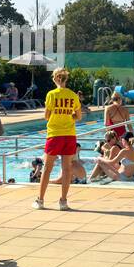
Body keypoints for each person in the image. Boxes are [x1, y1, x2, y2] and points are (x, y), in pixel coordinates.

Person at [35, 68, 82, 210]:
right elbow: (78, 116)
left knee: (47, 168)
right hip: (69, 135)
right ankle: (63, 201)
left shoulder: (51, 95)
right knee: (67, 169)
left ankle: (40, 200)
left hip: (54, 134)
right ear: (66, 79)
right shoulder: (73, 95)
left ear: (55, 78)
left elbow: (46, 116)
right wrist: (69, 117)